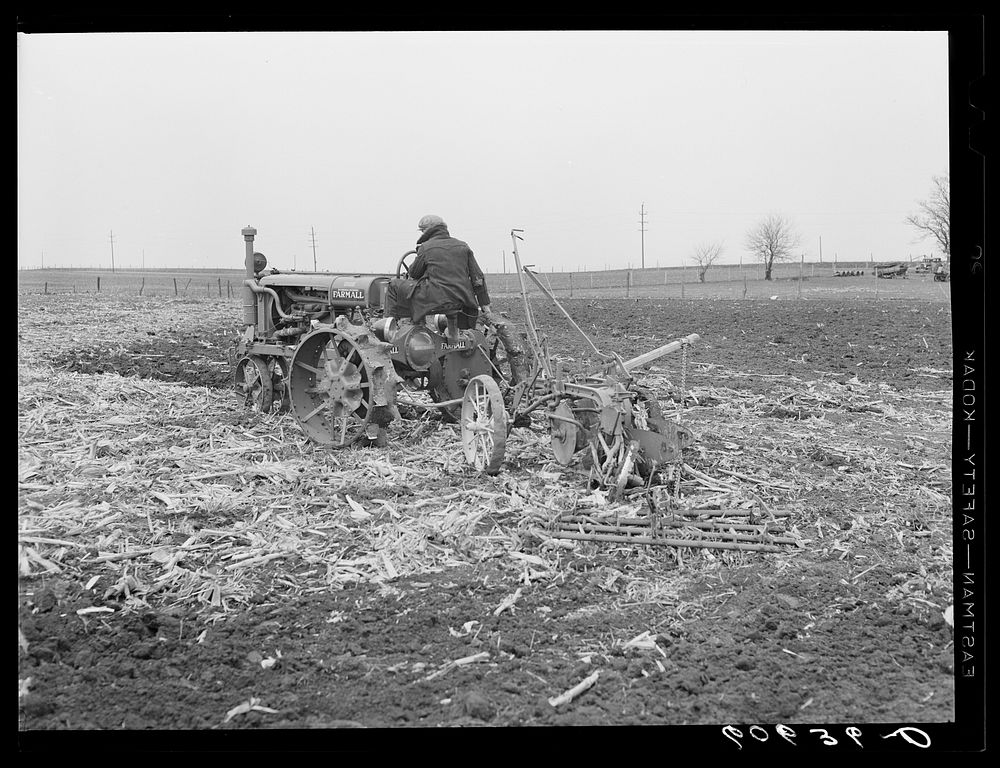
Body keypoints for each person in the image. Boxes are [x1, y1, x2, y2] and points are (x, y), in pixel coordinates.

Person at [385, 215, 493, 331]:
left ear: (426, 230)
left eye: (422, 231)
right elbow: (478, 278)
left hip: (435, 300)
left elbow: (414, 273)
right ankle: (453, 335)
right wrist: (484, 305)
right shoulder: (463, 246)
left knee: (393, 285)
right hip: (462, 300)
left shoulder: (426, 247)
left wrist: (418, 257)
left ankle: (388, 329)